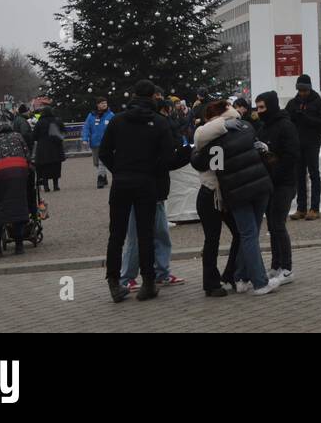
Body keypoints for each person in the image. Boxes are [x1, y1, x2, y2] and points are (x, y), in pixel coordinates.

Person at [191, 94, 280, 295]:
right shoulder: (244, 128)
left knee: (236, 236)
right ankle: (239, 278)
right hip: (243, 190)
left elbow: (201, 161)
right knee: (243, 235)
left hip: (225, 193)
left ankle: (235, 277)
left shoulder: (214, 138)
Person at [99, 80, 175, 302]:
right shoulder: (159, 123)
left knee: (116, 235)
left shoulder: (117, 121)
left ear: (133, 96)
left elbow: (104, 152)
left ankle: (114, 282)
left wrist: (119, 169)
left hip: (121, 183)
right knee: (146, 234)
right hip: (146, 184)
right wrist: (152, 171)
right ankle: (148, 283)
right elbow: (168, 156)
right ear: (153, 97)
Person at [193, 99, 237, 297]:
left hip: (217, 193)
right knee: (214, 239)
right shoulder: (209, 132)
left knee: (230, 236)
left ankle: (227, 275)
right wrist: (225, 120)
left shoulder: (215, 131)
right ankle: (212, 282)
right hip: (212, 193)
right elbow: (201, 133)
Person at [256, 90, 299, 283]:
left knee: (278, 224)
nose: (259, 111)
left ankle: (287, 268)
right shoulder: (263, 126)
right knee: (272, 225)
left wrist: (275, 168)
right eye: (257, 108)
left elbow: (291, 155)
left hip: (284, 183)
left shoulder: (285, 126)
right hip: (269, 183)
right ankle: (276, 265)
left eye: (262, 107)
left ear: (271, 106)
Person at [0, 119, 33, 257]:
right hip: (19, 170)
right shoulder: (17, 136)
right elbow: (27, 155)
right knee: (18, 206)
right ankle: (19, 245)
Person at [285, 74, 321, 221]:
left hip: (312, 143)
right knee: (299, 176)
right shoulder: (292, 103)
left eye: (305, 91)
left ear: (309, 89)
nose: (302, 93)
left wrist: (306, 118)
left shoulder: (318, 102)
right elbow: (286, 121)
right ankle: (301, 208)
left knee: (314, 174)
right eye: (300, 90)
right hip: (298, 143)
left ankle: (315, 208)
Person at [32, 101, 66, 191]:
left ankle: (46, 186)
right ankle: (56, 185)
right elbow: (63, 131)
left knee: (44, 168)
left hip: (43, 149)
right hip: (56, 147)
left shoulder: (39, 123)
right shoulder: (57, 120)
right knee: (56, 167)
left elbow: (34, 136)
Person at [83, 98, 114, 189]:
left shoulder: (111, 115)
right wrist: (85, 138)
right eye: (102, 103)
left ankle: (100, 179)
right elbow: (86, 127)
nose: (104, 104)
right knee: (96, 163)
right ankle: (104, 177)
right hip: (94, 143)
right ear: (98, 105)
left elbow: (115, 128)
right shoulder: (91, 115)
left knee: (101, 162)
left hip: (106, 143)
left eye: (105, 103)